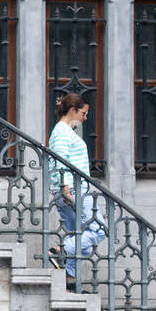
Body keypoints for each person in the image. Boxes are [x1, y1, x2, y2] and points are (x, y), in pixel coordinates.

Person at [46, 92, 105, 290]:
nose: (85, 118)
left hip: (70, 189)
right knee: (99, 229)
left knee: (81, 239)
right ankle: (60, 251)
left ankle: (69, 279)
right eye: (83, 113)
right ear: (72, 110)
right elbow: (60, 161)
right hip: (74, 190)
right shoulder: (62, 132)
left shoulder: (63, 132)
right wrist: (66, 188)